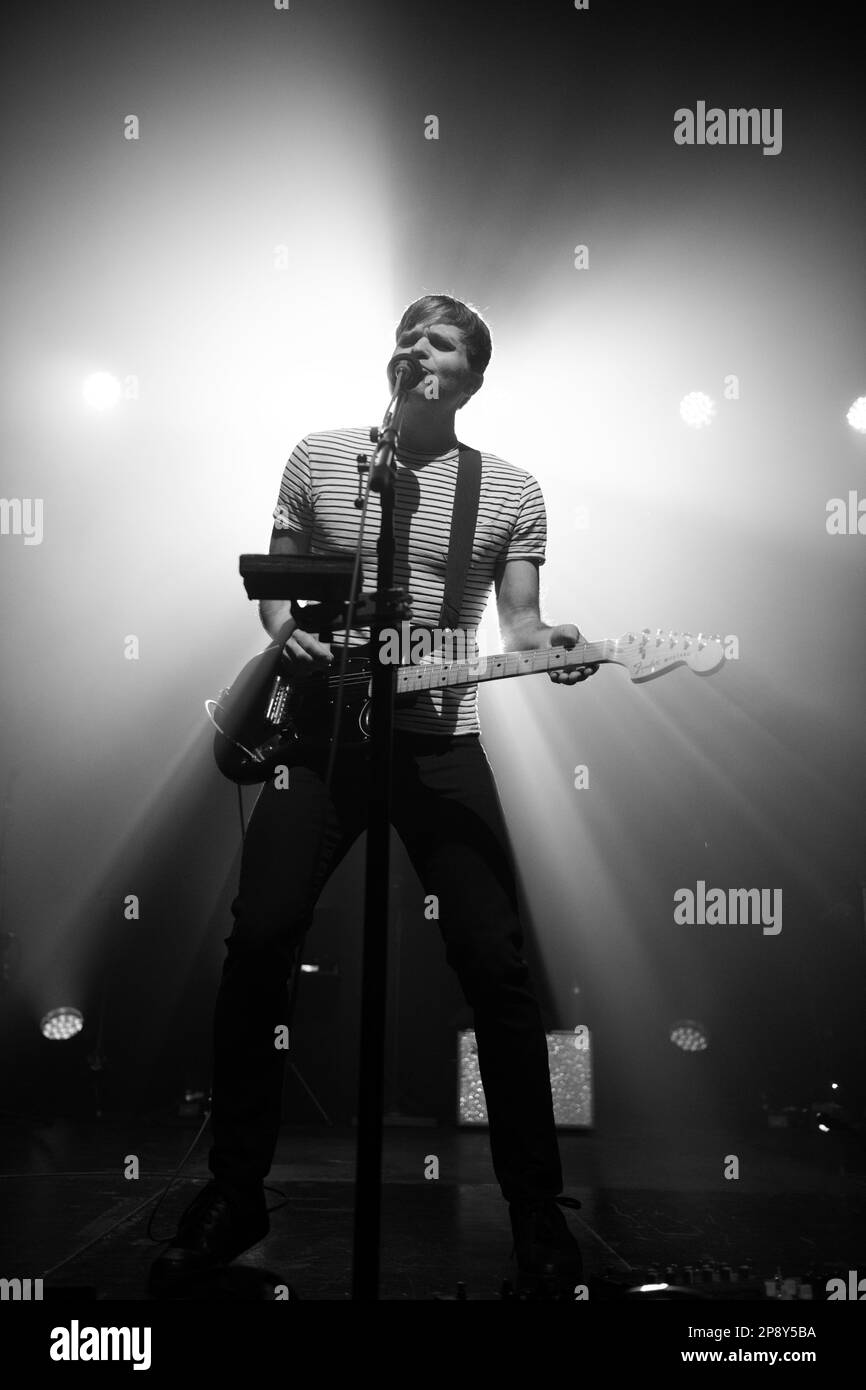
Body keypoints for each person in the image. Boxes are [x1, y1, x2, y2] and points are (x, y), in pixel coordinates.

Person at [150, 293, 597, 1298]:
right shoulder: (320, 457)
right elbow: (276, 582)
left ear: (471, 376)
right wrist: (286, 629)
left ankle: (535, 1213)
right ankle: (234, 1190)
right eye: (406, 335)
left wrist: (554, 648)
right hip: (318, 735)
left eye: (438, 341)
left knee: (495, 964)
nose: (414, 349)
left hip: (437, 741)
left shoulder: (510, 487)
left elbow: (519, 626)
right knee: (260, 937)